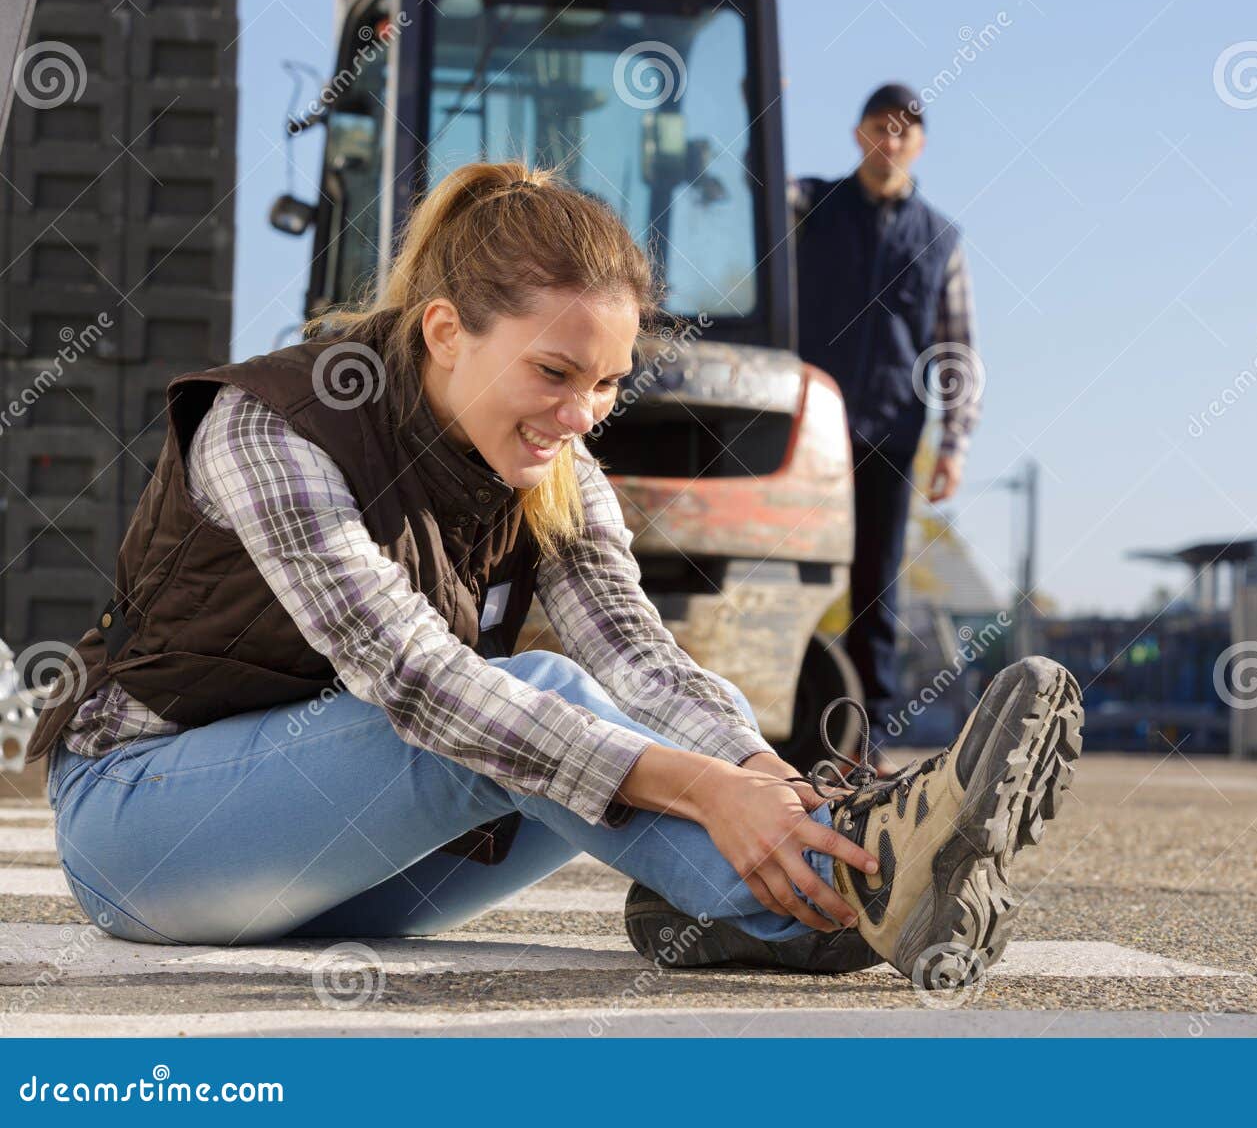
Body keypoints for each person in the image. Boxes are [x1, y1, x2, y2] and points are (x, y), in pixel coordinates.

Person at [27, 161, 1077, 986]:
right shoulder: (270, 426)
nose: (582, 415)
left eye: (608, 383)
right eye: (554, 371)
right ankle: (841, 891)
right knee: (530, 709)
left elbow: (641, 660)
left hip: (330, 861)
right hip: (147, 833)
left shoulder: (554, 466)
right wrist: (709, 790)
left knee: (600, 722)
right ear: (445, 330)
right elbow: (419, 682)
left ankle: (806, 874)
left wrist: (769, 781)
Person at [791, 83, 983, 766]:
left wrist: (953, 445)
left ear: (920, 144)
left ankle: (863, 739)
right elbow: (737, 196)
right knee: (791, 569)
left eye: (903, 131)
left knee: (877, 585)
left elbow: (955, 351)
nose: (890, 141)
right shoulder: (807, 206)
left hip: (893, 436)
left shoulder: (941, 239)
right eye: (878, 127)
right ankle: (774, 715)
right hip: (804, 426)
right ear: (857, 134)